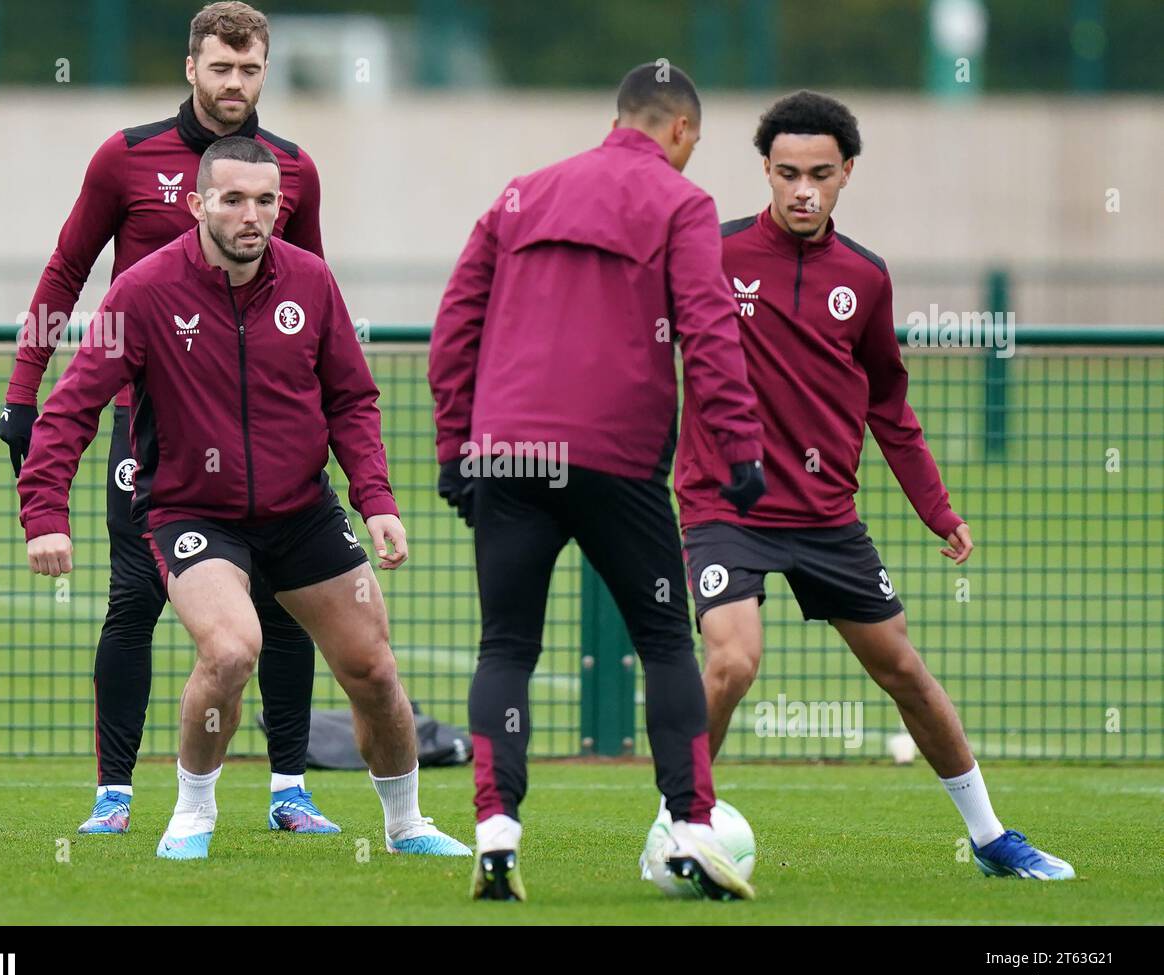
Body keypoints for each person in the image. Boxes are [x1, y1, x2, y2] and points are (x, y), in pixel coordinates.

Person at [650, 89, 1073, 881]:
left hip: (825, 518)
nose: (801, 189)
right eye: (785, 173)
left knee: (904, 672)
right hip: (723, 505)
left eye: (818, 173)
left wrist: (937, 509)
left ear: (846, 172)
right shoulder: (710, 250)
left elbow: (889, 403)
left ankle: (990, 839)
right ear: (766, 173)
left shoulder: (867, 279)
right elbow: (639, 336)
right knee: (734, 663)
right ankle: (680, 821)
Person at [18, 136, 470, 861]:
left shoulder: (313, 282)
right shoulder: (144, 290)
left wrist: (376, 498)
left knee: (376, 671)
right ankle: (193, 814)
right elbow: (73, 406)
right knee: (231, 650)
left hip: (303, 513)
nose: (251, 215)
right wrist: (45, 514)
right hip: (193, 515)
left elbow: (351, 400)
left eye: (265, 201)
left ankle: (406, 825)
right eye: (232, 200)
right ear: (198, 205)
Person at [0, 2, 336, 837]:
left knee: (286, 606)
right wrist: (22, 391)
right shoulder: (125, 157)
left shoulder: (291, 170)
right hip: (144, 423)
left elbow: (314, 291)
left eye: (249, 69)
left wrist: (322, 412)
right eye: (220, 68)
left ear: (265, 71)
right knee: (135, 599)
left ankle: (289, 789)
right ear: (191, 68)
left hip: (265, 430)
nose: (234, 84)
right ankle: (114, 795)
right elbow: (66, 269)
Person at [430, 62, 766, 901]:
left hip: (508, 457)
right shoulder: (681, 204)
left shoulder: (522, 194)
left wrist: (452, 449)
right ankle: (690, 825)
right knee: (663, 642)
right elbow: (707, 328)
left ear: (617, 116)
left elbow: (454, 326)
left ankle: (496, 830)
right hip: (617, 462)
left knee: (505, 646)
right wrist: (741, 451)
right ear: (682, 130)